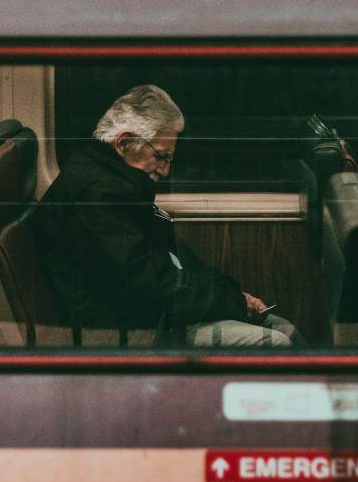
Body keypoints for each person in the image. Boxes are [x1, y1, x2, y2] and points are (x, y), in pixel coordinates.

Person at [32, 84, 304, 347]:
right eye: (161, 157)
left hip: (151, 315)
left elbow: (166, 264)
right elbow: (148, 286)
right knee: (276, 343)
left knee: (284, 328)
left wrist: (231, 294)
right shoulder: (99, 196)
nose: (164, 172)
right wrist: (230, 302)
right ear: (124, 143)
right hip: (127, 331)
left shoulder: (113, 180)